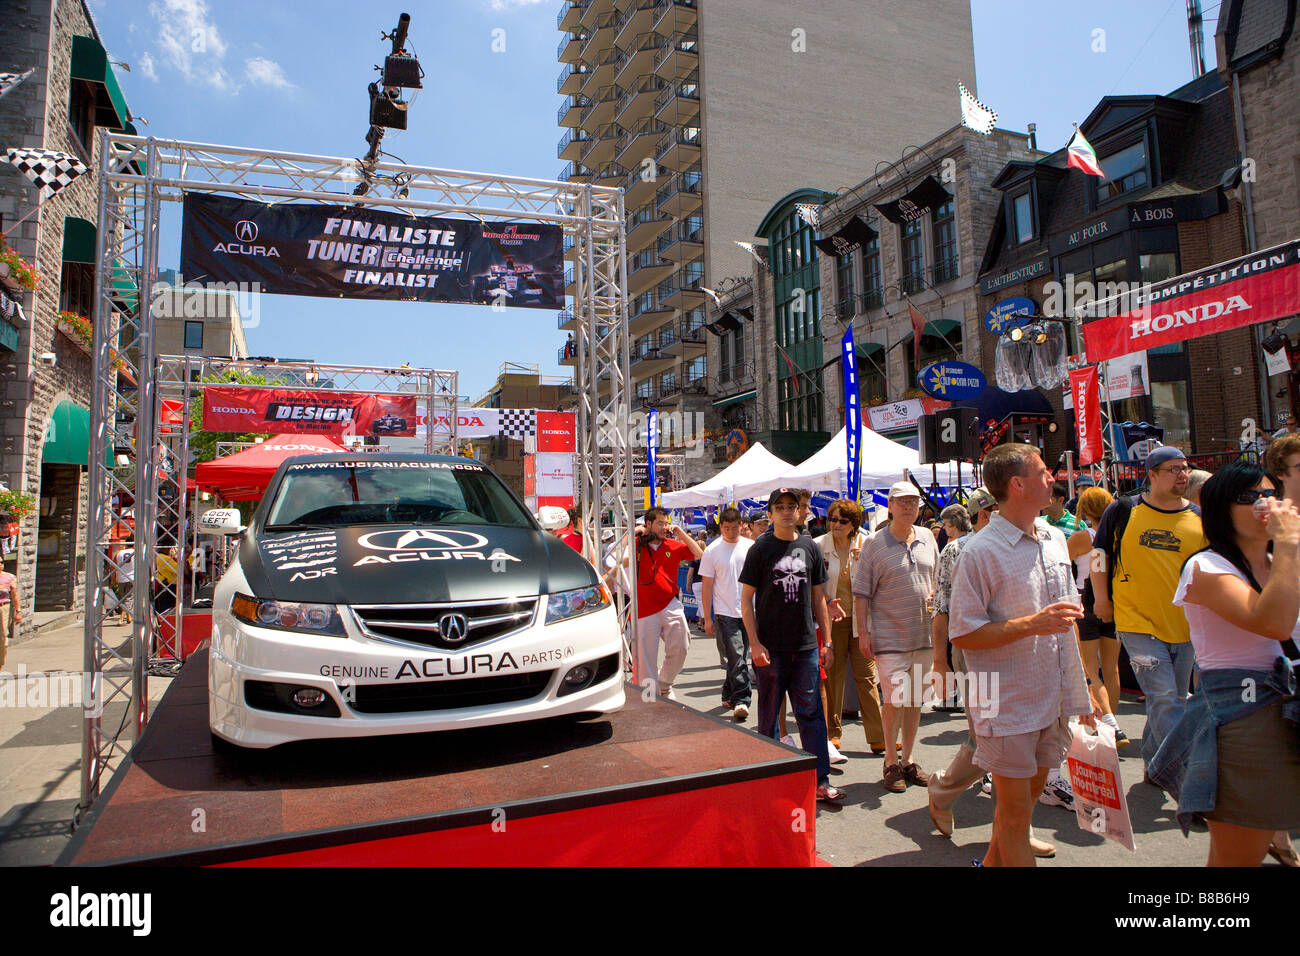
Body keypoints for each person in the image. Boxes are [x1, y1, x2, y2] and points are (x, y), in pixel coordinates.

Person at [948, 444, 1095, 867]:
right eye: (1045, 471)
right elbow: (964, 635)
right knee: (1014, 817)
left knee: (1025, 803)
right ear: (1017, 484)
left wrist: (1083, 687)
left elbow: (1063, 624)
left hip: (1052, 696)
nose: (1054, 478)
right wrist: (1033, 623)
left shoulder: (1052, 537)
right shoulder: (978, 552)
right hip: (1007, 702)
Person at [1148, 461, 1300, 866]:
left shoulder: (1283, 561)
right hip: (1244, 720)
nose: (1266, 504)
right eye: (1251, 497)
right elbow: (1273, 622)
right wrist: (1287, 545)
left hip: (1288, 712)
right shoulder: (1206, 568)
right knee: (1237, 858)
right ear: (1220, 510)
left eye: (1271, 494)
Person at [1091, 446, 1207, 778]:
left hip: (1185, 626)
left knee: (1172, 702)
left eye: (1185, 468)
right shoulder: (1123, 510)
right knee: (1166, 697)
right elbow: (1100, 556)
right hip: (1137, 623)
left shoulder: (1199, 517)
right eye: (1173, 469)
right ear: (1152, 475)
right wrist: (1101, 598)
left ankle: (1156, 767)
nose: (1182, 474)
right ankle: (1185, 776)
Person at [739, 488, 842, 802]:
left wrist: (828, 642)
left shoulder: (809, 547)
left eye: (791, 507)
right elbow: (745, 602)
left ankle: (819, 781)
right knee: (769, 716)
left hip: (806, 646)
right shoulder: (760, 548)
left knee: (811, 714)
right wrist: (755, 644)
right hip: (770, 648)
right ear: (769, 514)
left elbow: (819, 599)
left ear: (800, 512)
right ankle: (770, 779)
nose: (786, 512)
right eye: (779, 507)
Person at [853, 481, 940, 792]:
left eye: (913, 502)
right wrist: (863, 633)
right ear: (889, 506)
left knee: (916, 699)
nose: (908, 507)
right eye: (902, 501)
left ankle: (909, 758)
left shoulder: (929, 537)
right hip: (889, 637)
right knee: (894, 699)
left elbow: (938, 582)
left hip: (923, 635)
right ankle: (891, 760)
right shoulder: (875, 543)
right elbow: (861, 593)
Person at [813, 498, 885, 751]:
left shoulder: (868, 544)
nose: (836, 524)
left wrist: (866, 560)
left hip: (861, 621)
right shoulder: (817, 546)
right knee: (833, 677)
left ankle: (878, 735)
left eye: (843, 520)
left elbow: (880, 581)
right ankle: (833, 732)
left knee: (866, 676)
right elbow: (814, 587)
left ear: (854, 524)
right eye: (832, 519)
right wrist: (828, 602)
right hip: (832, 621)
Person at [1066, 487, 1126, 747]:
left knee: (1091, 669)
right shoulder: (1120, 534)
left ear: (1085, 509)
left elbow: (1062, 566)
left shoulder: (1081, 537)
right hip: (1115, 603)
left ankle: (1110, 723)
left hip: (1085, 603)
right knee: (1111, 668)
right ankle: (1110, 726)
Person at [626, 507, 703, 699]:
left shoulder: (672, 545)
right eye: (659, 523)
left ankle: (664, 683)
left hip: (669, 602)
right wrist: (633, 534)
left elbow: (699, 554)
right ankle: (648, 696)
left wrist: (681, 533)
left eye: (665, 523)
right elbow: (617, 560)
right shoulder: (636, 544)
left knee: (682, 643)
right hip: (644, 608)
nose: (664, 527)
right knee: (646, 658)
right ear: (648, 525)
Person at [699, 507, 754, 720]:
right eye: (726, 528)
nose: (731, 532)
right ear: (720, 527)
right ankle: (742, 699)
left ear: (741, 525)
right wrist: (707, 618)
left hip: (750, 610)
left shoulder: (751, 547)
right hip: (725, 612)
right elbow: (707, 586)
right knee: (738, 654)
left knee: (738, 656)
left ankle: (729, 691)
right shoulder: (712, 551)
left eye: (734, 527)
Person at [931, 503, 973, 711]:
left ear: (951, 525)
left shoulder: (953, 549)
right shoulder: (989, 543)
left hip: (962, 627)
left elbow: (941, 601)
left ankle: (951, 695)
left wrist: (938, 657)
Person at [0, 563, 19, 668]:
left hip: (4, 608)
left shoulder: (9, 577)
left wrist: (18, 611)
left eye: (1, 562)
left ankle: (0, 663)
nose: (0, 564)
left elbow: (14, 595)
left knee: (2, 636)